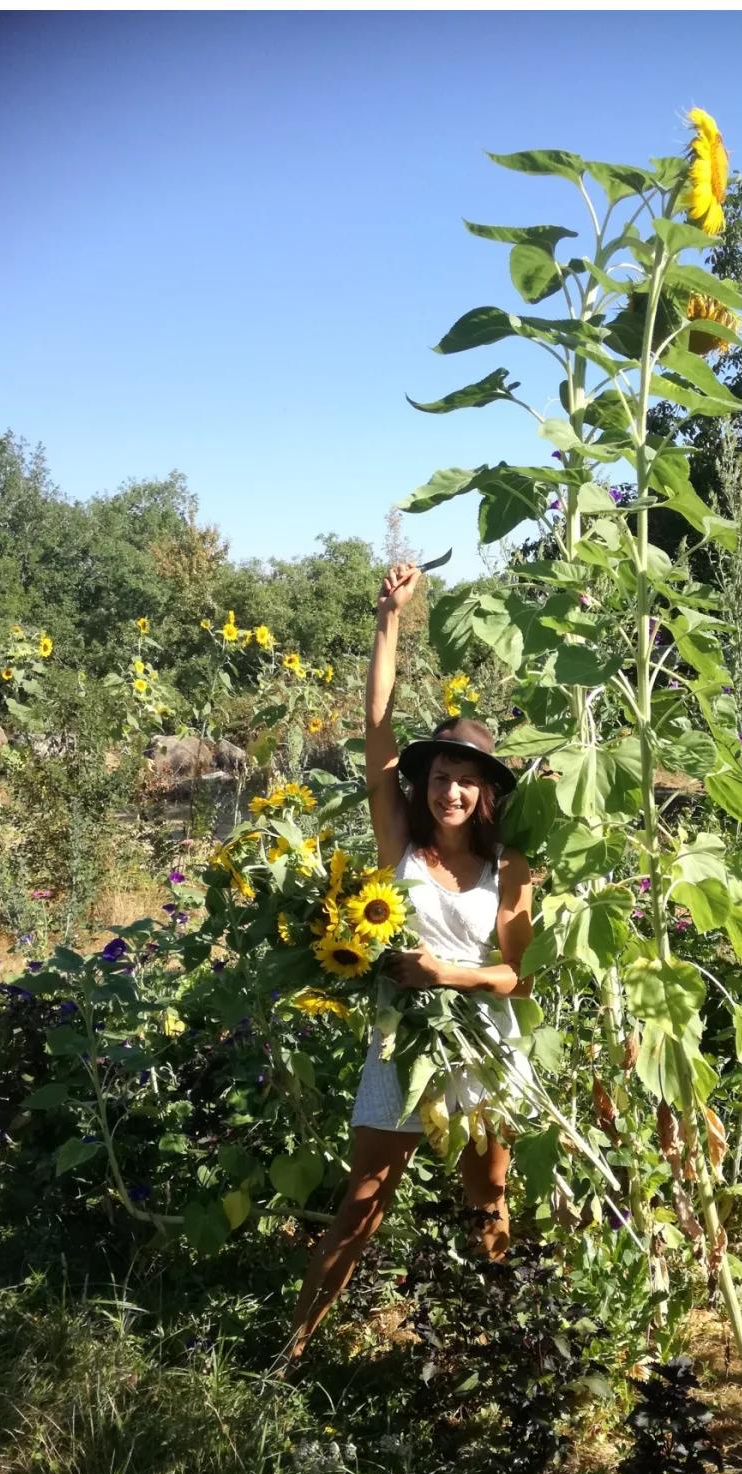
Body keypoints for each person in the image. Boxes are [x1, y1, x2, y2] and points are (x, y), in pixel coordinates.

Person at [281, 560, 534, 1369]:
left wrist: (449, 975)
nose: (449, 790)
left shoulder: (513, 867)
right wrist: (388, 620)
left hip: (484, 1043)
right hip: (401, 1042)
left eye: (466, 780)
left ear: (486, 792)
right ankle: (294, 1348)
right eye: (439, 776)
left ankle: (501, 1347)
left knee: (487, 1195)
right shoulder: (403, 847)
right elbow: (378, 730)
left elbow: (518, 976)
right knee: (363, 1200)